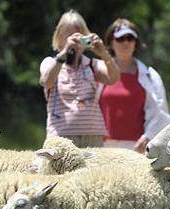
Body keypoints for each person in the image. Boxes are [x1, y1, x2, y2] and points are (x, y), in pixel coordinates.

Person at [39, 10, 120, 148]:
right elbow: (46, 81)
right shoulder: (50, 62)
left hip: (92, 138)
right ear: (59, 38)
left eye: (79, 36)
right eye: (69, 35)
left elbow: (113, 78)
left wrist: (104, 53)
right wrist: (65, 52)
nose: (75, 40)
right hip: (60, 138)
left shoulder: (91, 64)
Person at [98, 18, 170, 153]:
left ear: (136, 43)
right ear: (110, 43)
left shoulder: (150, 75)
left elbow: (161, 113)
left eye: (130, 38)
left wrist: (147, 137)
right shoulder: (98, 71)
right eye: (120, 39)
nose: (126, 42)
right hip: (102, 148)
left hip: (138, 149)